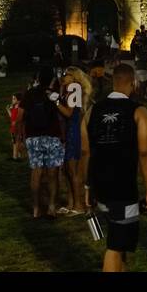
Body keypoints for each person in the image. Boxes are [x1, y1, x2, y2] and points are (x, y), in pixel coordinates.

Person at [87, 63, 147, 272]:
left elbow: (85, 151)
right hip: (123, 186)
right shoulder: (138, 111)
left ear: (112, 81)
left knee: (119, 237)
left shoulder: (92, 111)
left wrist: (87, 187)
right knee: (115, 245)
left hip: (99, 185)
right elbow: (144, 152)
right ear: (133, 83)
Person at [19, 68, 64, 218]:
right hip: (52, 136)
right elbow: (63, 114)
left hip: (33, 137)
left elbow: (20, 115)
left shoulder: (30, 93)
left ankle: (36, 208)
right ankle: (51, 206)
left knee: (36, 173)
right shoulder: (54, 94)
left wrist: (20, 137)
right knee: (53, 174)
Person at [57, 66, 92, 216]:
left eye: (67, 74)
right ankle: (72, 203)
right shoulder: (69, 88)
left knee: (72, 170)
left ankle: (79, 205)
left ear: (75, 77)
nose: (64, 76)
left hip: (72, 132)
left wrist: (56, 103)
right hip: (70, 131)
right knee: (67, 170)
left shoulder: (74, 88)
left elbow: (69, 113)